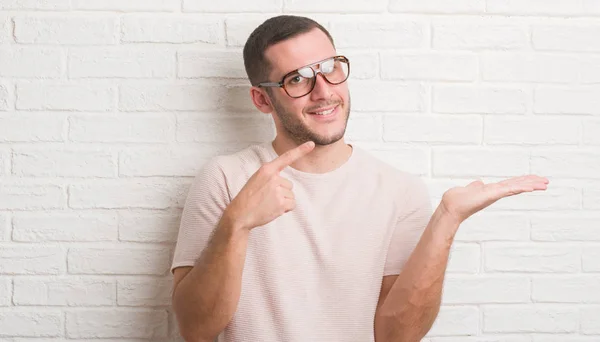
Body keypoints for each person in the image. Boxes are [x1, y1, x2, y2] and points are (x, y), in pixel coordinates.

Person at [170, 15, 549, 342]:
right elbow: (196, 329)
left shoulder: (400, 191)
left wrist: (447, 219)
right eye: (297, 79)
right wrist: (236, 224)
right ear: (262, 100)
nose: (323, 92)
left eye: (330, 68)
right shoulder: (225, 178)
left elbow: (396, 336)